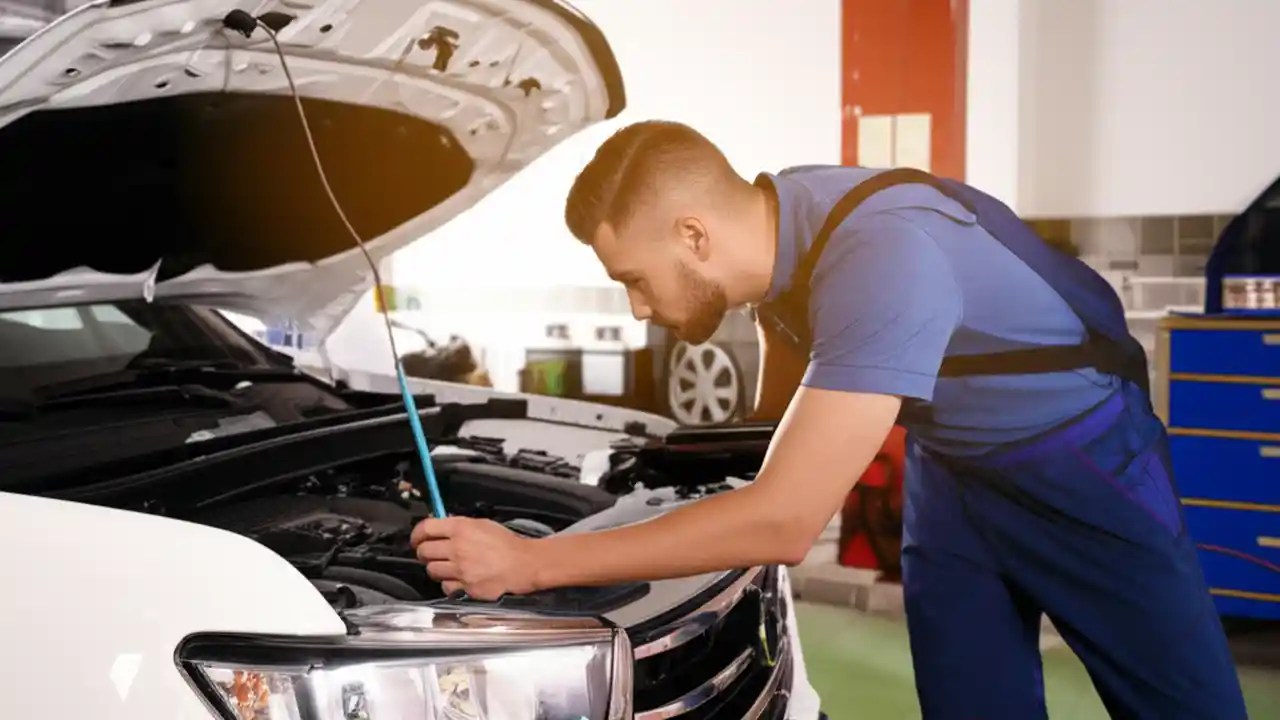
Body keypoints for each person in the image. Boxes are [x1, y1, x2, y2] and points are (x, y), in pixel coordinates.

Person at [411, 120, 1247, 718]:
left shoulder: (884, 256)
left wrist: (534, 561)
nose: (638, 311)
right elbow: (775, 426)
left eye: (637, 279)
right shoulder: (777, 233)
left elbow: (783, 519)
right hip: (953, 471)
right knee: (971, 702)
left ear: (694, 235)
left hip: (1084, 461)